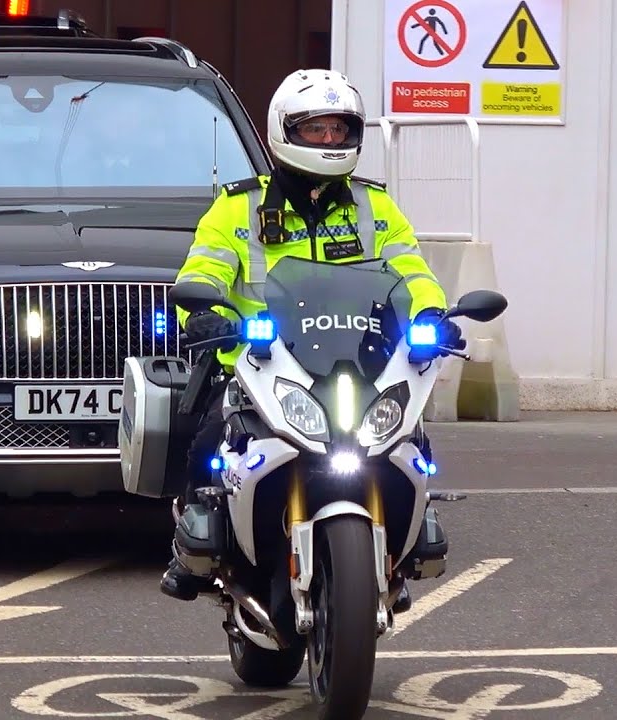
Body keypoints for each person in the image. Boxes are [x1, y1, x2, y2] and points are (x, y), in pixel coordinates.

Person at [159, 69, 462, 604]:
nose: (328, 141)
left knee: (409, 442)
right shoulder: (239, 207)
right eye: (315, 129)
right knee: (208, 436)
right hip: (260, 359)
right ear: (283, 132)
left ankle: (404, 548)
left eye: (339, 130)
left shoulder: (375, 206)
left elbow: (412, 271)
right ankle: (193, 545)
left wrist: (433, 314)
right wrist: (206, 314)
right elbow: (201, 274)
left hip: (358, 357)